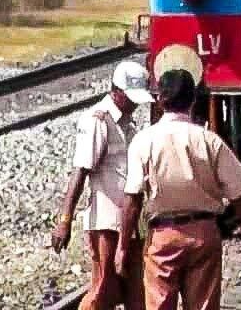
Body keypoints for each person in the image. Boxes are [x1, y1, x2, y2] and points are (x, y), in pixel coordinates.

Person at [117, 69, 241, 310]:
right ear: (193, 100)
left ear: (160, 99)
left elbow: (132, 199)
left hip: (162, 235)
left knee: (159, 304)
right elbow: (239, 194)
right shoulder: (209, 140)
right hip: (204, 234)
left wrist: (123, 247)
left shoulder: (143, 141)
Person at [51, 61, 154, 310]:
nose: (135, 104)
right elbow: (81, 171)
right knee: (103, 289)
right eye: (131, 98)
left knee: (136, 291)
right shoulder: (97, 121)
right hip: (107, 222)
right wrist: (65, 220)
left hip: (131, 222)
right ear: (116, 91)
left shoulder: (127, 123)